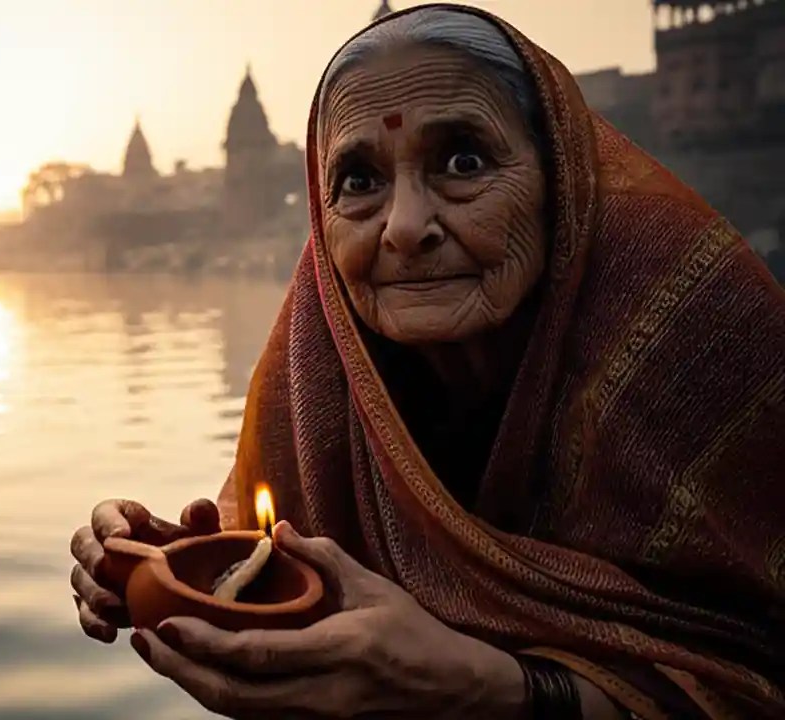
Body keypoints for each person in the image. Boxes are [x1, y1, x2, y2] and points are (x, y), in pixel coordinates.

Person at [69, 5, 785, 718]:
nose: (405, 228)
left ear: (562, 181)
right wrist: (172, 567)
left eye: (464, 162)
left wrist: (499, 690)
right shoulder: (322, 382)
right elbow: (263, 550)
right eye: (357, 181)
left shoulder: (709, 348)